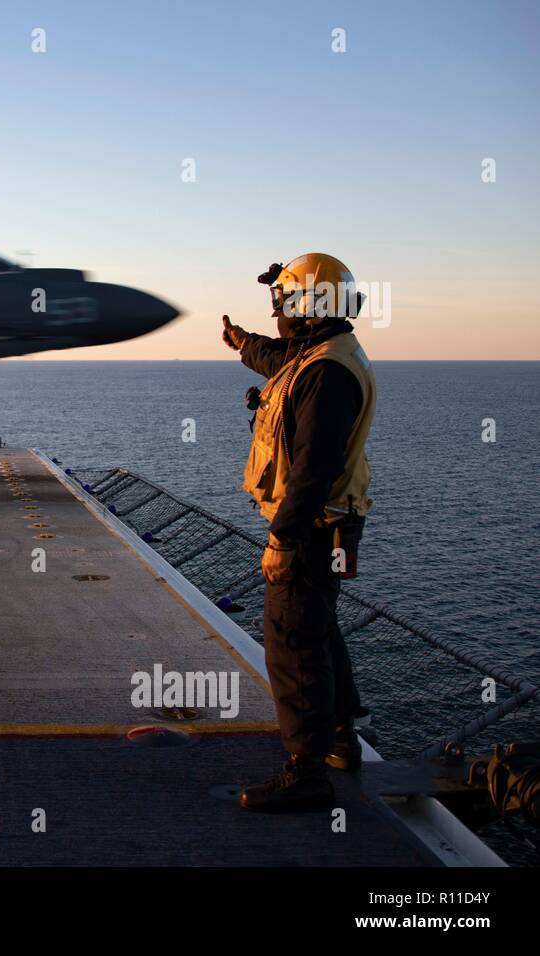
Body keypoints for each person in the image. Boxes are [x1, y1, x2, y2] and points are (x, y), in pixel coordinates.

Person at [221, 253, 377, 812]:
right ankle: (339, 738)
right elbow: (278, 358)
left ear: (311, 306)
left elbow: (312, 470)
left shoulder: (326, 373)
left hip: (310, 528)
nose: (280, 311)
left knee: (291, 642)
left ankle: (306, 771)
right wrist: (242, 342)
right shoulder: (321, 355)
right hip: (330, 526)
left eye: (286, 301)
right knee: (318, 630)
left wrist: (282, 541)